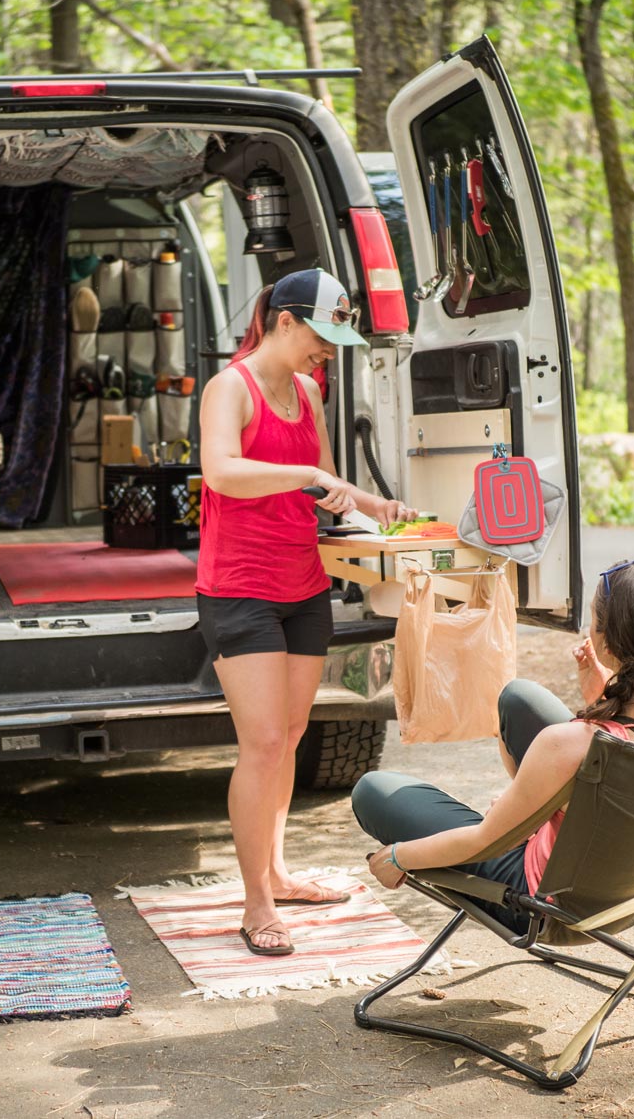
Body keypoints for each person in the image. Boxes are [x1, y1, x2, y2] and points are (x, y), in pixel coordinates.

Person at [196, 268, 418, 956]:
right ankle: (256, 902)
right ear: (284, 321)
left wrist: (376, 507)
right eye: (320, 337)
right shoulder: (229, 388)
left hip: (302, 584)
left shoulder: (310, 392)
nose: (327, 353)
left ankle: (279, 873)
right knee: (262, 742)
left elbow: (318, 487)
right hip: (239, 587)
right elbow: (221, 471)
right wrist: (310, 476)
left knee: (289, 736)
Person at [354, 557, 634, 932]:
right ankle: (530, 813)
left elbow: (486, 841)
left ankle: (528, 816)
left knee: (373, 792)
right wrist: (602, 697)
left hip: (550, 908)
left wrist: (399, 857)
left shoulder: (571, 745)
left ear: (607, 643)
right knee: (519, 698)